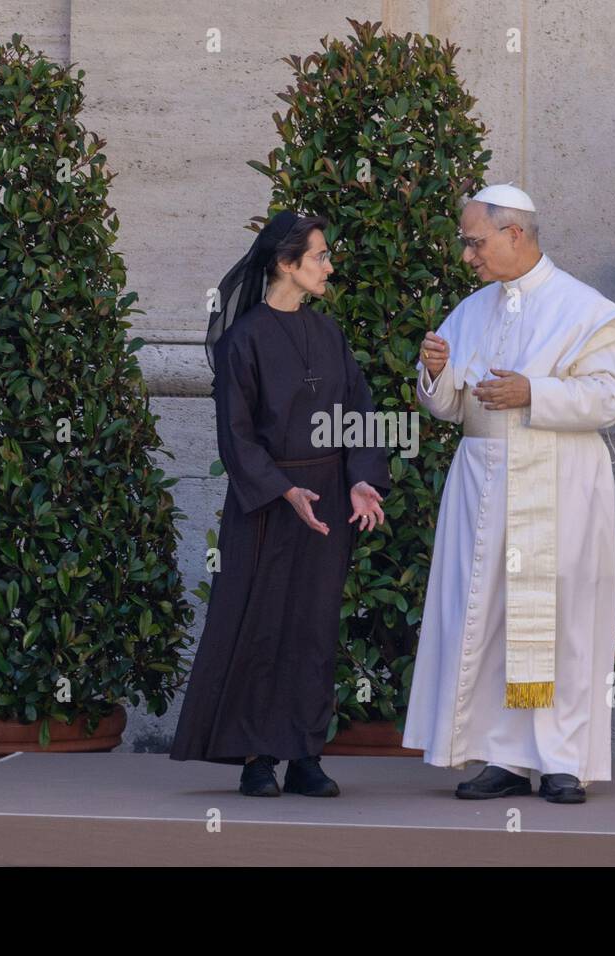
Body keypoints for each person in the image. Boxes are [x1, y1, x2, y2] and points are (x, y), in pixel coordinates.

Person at [401, 184, 615, 804]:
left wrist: (535, 393)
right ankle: (503, 756)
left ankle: (562, 760)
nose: (468, 257)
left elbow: (612, 399)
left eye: (475, 242)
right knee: (491, 615)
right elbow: (450, 406)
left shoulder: (583, 308)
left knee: (561, 621)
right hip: (482, 481)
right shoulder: (473, 309)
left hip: (560, 483)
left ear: (515, 234)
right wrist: (434, 370)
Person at [169, 211, 390, 798]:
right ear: (285, 264)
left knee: (313, 631)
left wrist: (362, 480)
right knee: (261, 628)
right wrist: (284, 491)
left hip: (326, 507)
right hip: (267, 507)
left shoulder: (329, 334)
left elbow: (359, 414)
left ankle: (305, 754)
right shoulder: (245, 341)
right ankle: (257, 759)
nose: (329, 266)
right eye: (319, 256)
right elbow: (236, 435)